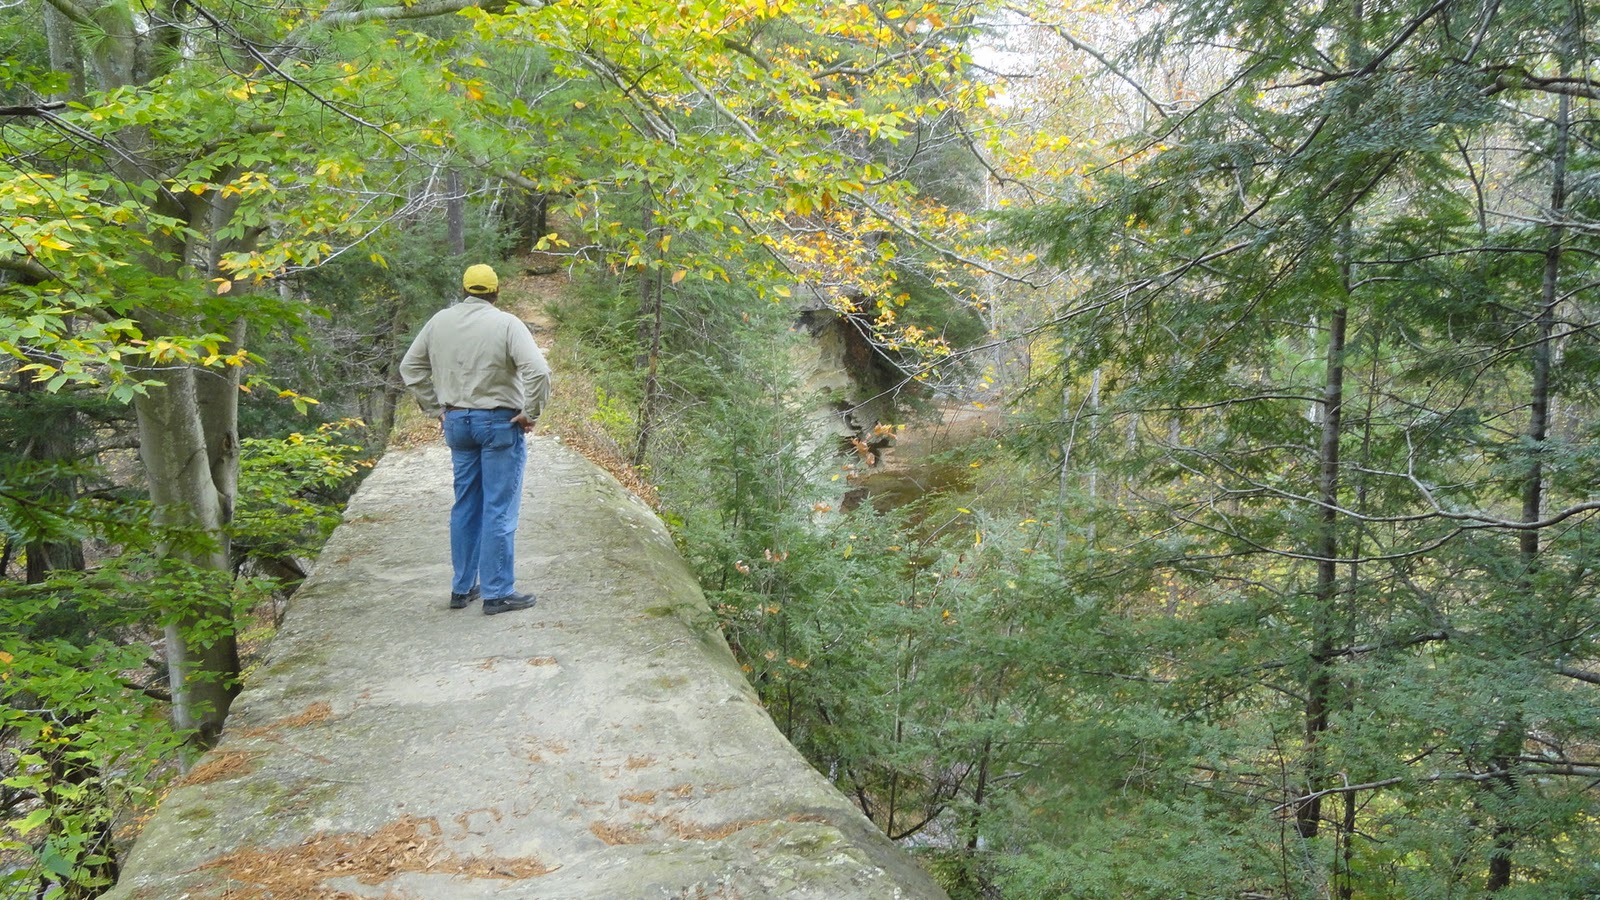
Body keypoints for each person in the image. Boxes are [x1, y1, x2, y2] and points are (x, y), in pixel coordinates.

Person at [400, 263, 552, 615]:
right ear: (496, 292)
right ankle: (497, 593)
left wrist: (434, 407)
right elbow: (539, 371)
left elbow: (411, 367)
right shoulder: (507, 324)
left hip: (456, 422)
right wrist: (531, 412)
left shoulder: (439, 321)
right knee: (499, 506)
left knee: (465, 503)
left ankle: (462, 587)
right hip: (498, 423)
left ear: (464, 289)